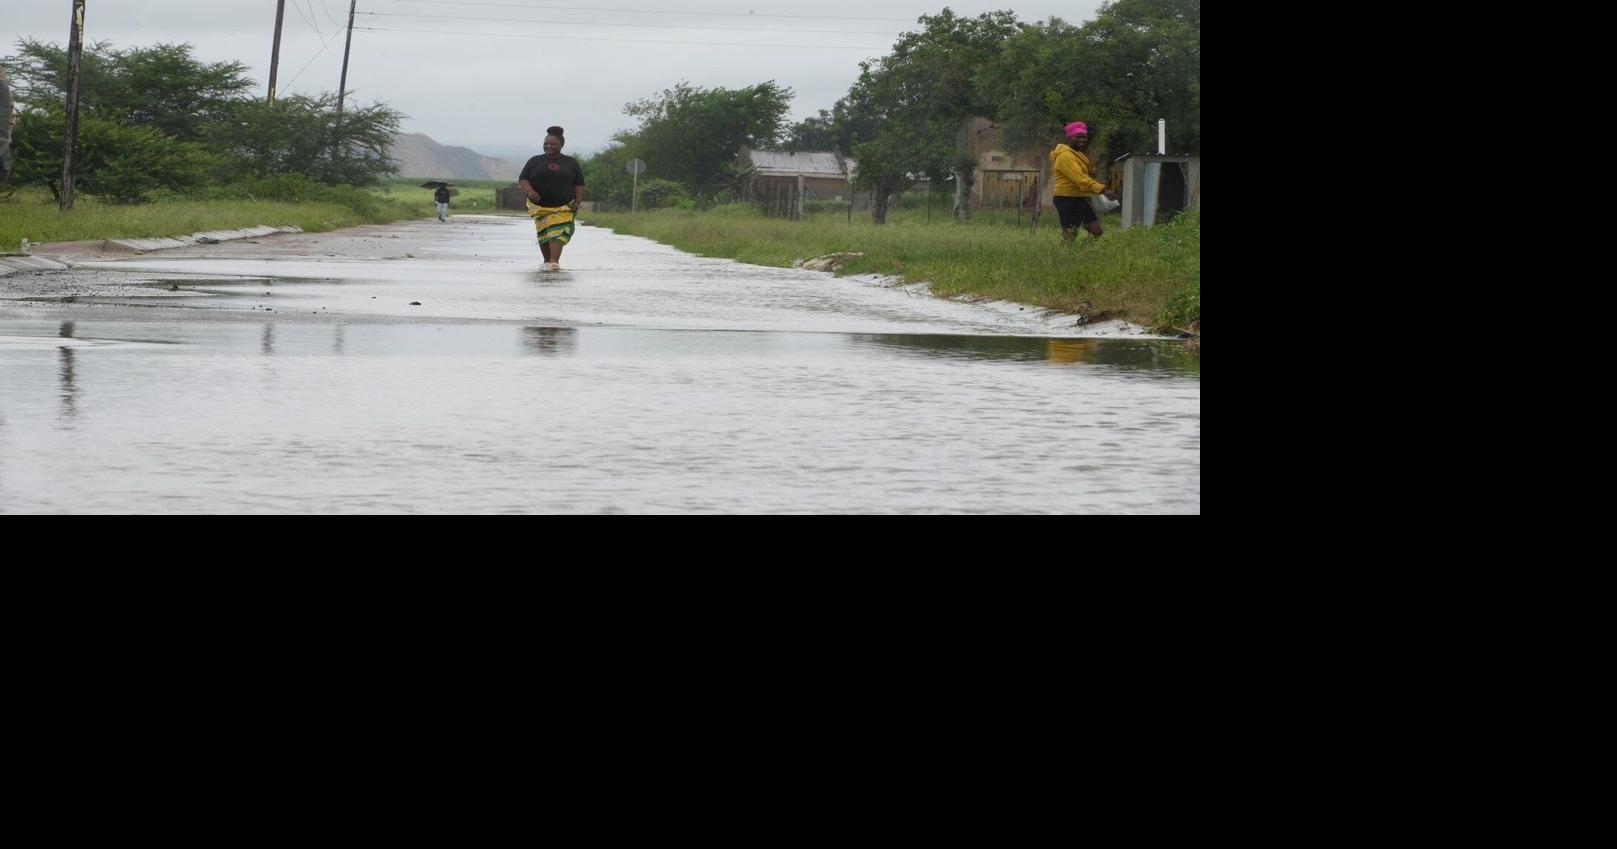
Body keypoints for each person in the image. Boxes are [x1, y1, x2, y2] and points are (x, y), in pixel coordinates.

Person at [518, 125, 586, 271]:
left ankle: (554, 261)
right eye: (546, 143)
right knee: (544, 233)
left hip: (563, 207)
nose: (548, 146)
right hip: (540, 207)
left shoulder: (571, 163)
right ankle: (547, 261)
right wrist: (530, 191)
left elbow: (579, 183)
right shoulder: (534, 161)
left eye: (553, 144)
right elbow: (523, 178)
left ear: (561, 145)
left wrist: (578, 200)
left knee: (557, 232)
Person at [1050, 121, 1114, 242]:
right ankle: (1067, 256)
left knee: (1097, 232)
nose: (1082, 140)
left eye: (1084, 137)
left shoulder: (1078, 155)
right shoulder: (1065, 156)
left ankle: (1081, 253)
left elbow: (1085, 176)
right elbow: (1080, 178)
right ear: (1069, 137)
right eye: (1078, 137)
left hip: (1079, 198)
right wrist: (1103, 189)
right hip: (1066, 198)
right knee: (1070, 234)